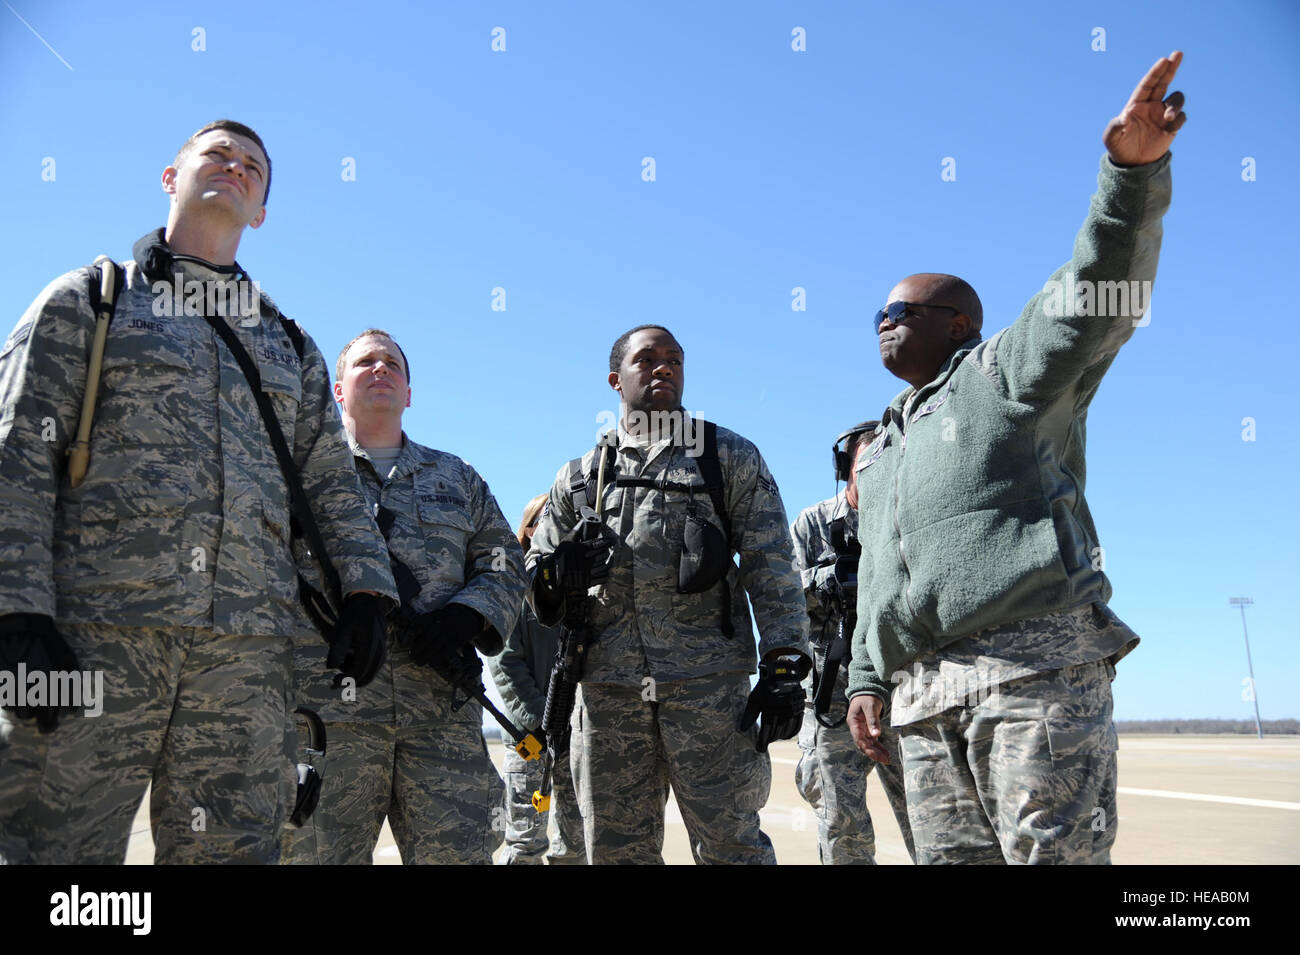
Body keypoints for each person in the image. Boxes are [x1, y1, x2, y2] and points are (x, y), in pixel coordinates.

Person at [0, 120, 396, 864]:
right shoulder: (90, 298)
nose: (236, 167)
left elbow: (328, 483)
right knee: (53, 857)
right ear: (169, 176)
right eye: (217, 153)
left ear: (263, 213)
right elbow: (16, 456)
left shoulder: (289, 344)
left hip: (246, 652)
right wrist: (16, 611)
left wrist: (367, 593)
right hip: (92, 637)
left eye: (253, 166)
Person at [846, 53, 1187, 864]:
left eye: (902, 310)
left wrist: (1130, 178)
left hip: (1028, 675)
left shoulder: (1006, 369)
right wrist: (866, 676)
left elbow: (1099, 291)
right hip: (923, 699)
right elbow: (874, 578)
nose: (885, 322)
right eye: (877, 314)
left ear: (960, 322)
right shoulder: (883, 442)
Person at [526, 324, 810, 865]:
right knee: (615, 851)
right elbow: (537, 588)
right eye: (647, 359)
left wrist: (783, 665)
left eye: (674, 360)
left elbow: (771, 562)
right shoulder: (580, 478)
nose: (663, 369)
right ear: (615, 379)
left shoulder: (726, 457)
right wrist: (558, 572)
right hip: (608, 693)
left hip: (707, 689)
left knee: (733, 846)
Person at [282, 328, 525, 864]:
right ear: (338, 391)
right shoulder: (298, 479)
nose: (380, 369)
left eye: (392, 363)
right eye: (364, 362)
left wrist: (469, 615)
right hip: (328, 713)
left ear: (409, 393)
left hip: (440, 711)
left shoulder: (457, 478)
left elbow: (505, 562)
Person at [790, 422, 914, 864]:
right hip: (832, 689)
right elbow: (780, 594)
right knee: (841, 821)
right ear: (846, 470)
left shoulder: (910, 518)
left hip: (904, 685)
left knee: (930, 814)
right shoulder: (814, 523)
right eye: (868, 466)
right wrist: (829, 582)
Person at [485, 494, 587, 865]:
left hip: (576, 736)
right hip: (529, 739)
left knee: (575, 844)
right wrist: (538, 723)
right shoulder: (514, 589)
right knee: (526, 841)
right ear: (528, 531)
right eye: (545, 520)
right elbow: (504, 663)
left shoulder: (579, 592)